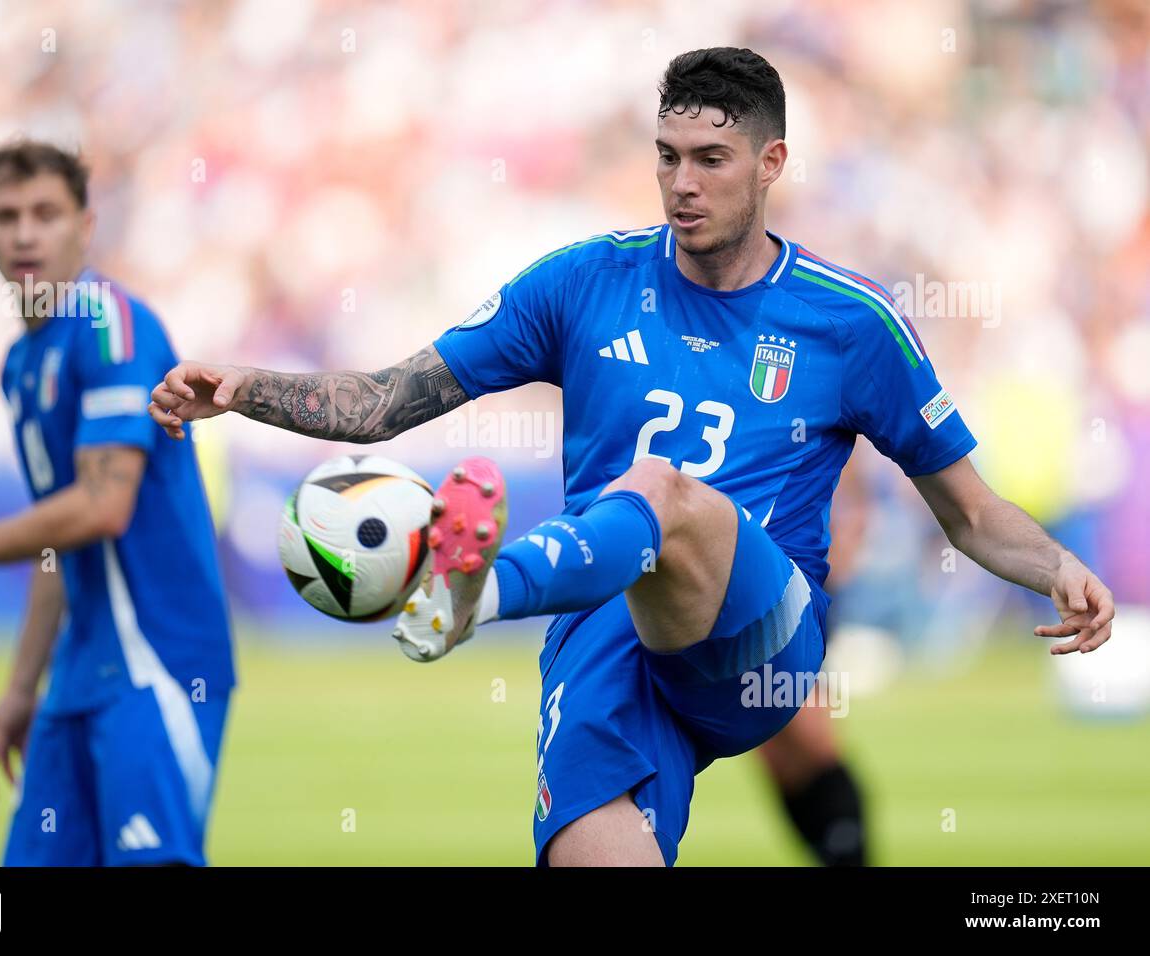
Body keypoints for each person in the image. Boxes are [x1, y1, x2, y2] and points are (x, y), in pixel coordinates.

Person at [147, 48, 1114, 866]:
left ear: (772, 161)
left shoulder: (849, 319)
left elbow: (971, 512)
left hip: (757, 633)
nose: (683, 183)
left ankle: (472, 594)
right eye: (667, 158)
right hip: (603, 636)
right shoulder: (582, 282)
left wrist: (1063, 567)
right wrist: (245, 389)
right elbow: (388, 401)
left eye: (711, 159)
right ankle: (484, 594)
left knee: (659, 493)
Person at [0, 141, 234, 866]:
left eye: (46, 213)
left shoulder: (110, 326)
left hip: (156, 663)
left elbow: (100, 508)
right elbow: (62, 543)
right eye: (7, 216)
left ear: (85, 226)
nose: (26, 232)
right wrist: (23, 686)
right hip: (79, 675)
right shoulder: (21, 365)